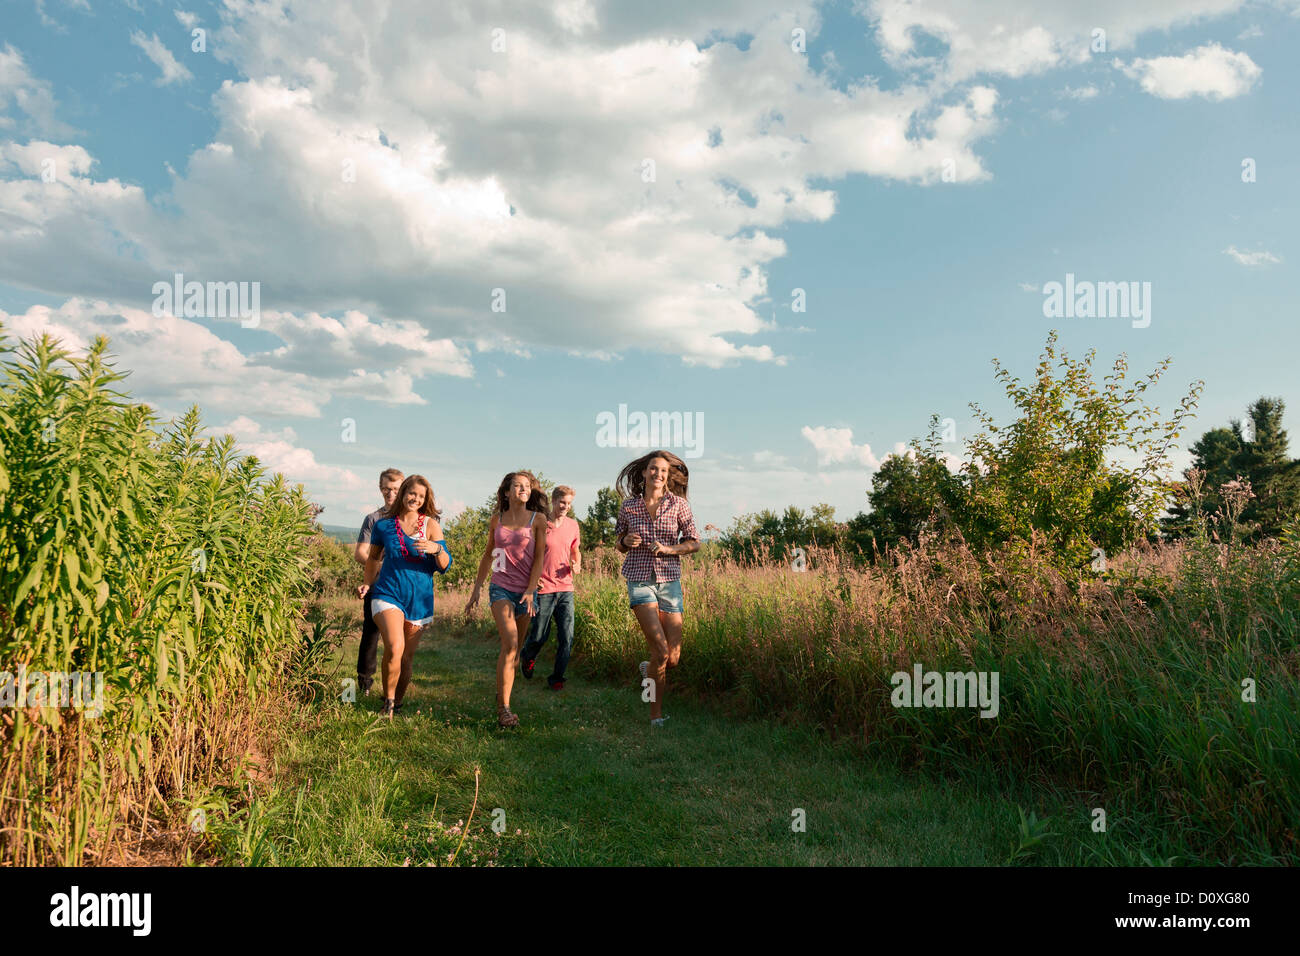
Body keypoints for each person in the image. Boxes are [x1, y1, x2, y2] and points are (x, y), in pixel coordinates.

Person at [613, 450, 699, 728]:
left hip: (669, 581)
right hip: (639, 579)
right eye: (653, 469)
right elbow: (618, 542)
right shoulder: (629, 506)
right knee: (660, 652)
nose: (658, 474)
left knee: (672, 658)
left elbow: (694, 541)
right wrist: (626, 540)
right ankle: (655, 717)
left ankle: (647, 670)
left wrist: (670, 548)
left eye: (663, 470)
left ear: (667, 475)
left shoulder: (679, 505)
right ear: (644, 473)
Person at [357, 474, 452, 717]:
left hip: (419, 600)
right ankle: (387, 705)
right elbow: (373, 559)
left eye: (421, 496)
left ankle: (397, 702)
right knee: (395, 645)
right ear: (403, 494)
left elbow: (445, 565)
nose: (415, 498)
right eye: (411, 493)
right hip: (387, 593)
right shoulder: (383, 525)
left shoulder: (431, 525)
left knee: (406, 658)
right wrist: (368, 584)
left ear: (425, 499)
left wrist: (436, 548)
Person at [464, 471, 548, 728]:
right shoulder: (496, 520)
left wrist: (532, 589)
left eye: (527, 486)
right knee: (510, 644)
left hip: (526, 592)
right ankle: (504, 710)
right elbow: (489, 554)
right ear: (507, 492)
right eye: (518, 485)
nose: (523, 489)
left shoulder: (538, 519)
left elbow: (539, 558)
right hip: (500, 588)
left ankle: (503, 694)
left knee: (515, 652)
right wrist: (477, 588)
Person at [519, 485, 582, 690]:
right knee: (539, 635)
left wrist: (577, 562)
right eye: (562, 502)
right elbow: (528, 553)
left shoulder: (573, 525)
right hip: (544, 588)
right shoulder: (540, 524)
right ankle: (527, 656)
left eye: (569, 503)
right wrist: (532, 578)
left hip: (566, 588)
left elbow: (575, 549)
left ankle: (557, 678)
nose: (565, 506)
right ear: (554, 501)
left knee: (567, 636)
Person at [353, 468, 404, 696]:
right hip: (376, 583)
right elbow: (360, 553)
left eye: (395, 489)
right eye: (386, 488)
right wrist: (382, 565)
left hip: (403, 585)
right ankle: (364, 683)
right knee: (371, 633)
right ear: (379, 488)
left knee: (401, 637)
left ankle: (395, 685)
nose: (390, 493)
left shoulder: (410, 518)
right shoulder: (373, 519)